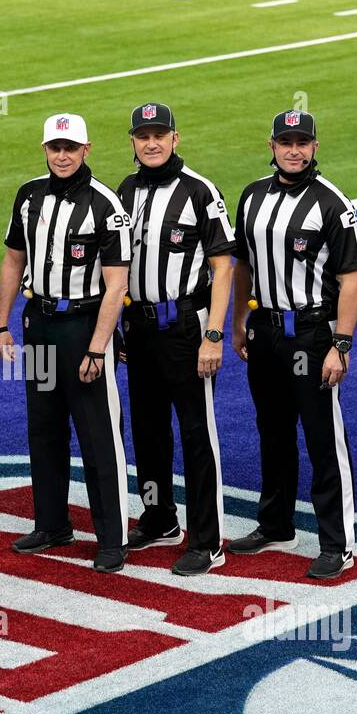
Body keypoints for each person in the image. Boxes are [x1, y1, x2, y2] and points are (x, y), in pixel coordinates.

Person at [0, 113, 133, 573]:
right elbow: (13, 261)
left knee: (98, 436)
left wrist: (97, 347)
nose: (63, 155)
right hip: (41, 323)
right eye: (55, 147)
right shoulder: (29, 195)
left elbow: (116, 286)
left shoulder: (106, 204)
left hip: (83, 325)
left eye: (71, 148)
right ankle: (52, 523)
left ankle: (113, 537)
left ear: (86, 150)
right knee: (45, 428)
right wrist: (1, 324)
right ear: (45, 149)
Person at [229, 110, 357, 580]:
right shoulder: (251, 196)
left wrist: (341, 344)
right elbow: (241, 262)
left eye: (301, 142)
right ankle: (275, 523)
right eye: (285, 142)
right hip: (265, 328)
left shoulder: (332, 202)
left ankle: (338, 543)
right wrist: (240, 318)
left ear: (314, 147)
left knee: (323, 439)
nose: (293, 150)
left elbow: (352, 280)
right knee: (273, 431)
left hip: (311, 331)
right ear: (271, 146)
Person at [116, 102, 236, 577]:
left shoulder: (200, 191)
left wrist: (213, 335)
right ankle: (159, 516)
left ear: (175, 138)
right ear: (133, 140)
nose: (151, 142)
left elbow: (223, 266)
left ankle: (207, 541)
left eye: (159, 134)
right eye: (143, 135)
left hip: (187, 325)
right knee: (147, 430)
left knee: (196, 432)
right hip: (140, 326)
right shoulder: (124, 190)